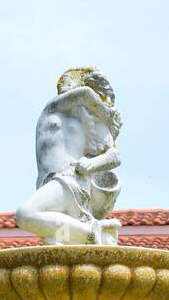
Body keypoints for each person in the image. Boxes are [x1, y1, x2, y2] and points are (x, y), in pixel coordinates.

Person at [15, 67, 123, 244]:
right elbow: (84, 94)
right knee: (60, 245)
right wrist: (107, 113)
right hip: (51, 184)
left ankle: (92, 232)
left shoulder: (91, 123)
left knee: (25, 214)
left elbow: (115, 156)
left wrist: (92, 164)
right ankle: (92, 234)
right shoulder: (54, 108)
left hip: (69, 180)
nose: (64, 86)